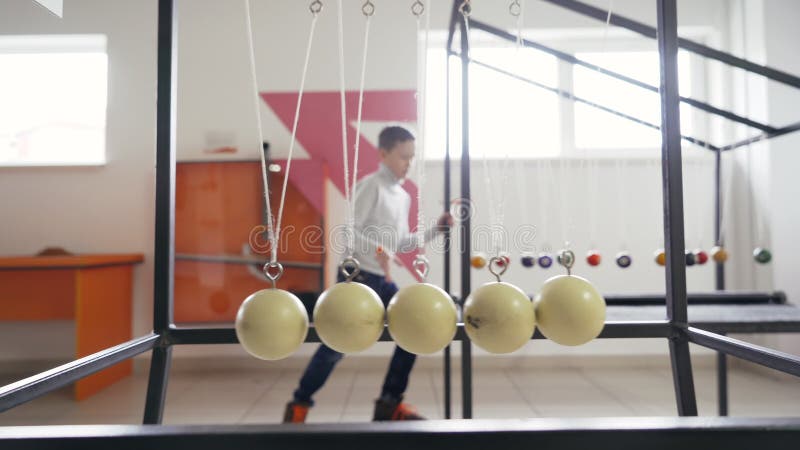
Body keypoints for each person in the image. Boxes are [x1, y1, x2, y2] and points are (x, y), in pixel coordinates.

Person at [283, 125, 452, 423]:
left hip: (382, 279)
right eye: (403, 157)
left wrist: (435, 231)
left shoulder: (402, 196)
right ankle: (299, 405)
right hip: (357, 277)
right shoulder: (369, 186)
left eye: (412, 158)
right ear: (383, 154)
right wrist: (377, 250)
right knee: (336, 345)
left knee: (414, 328)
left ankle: (389, 403)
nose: (408, 164)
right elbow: (349, 231)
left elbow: (399, 243)